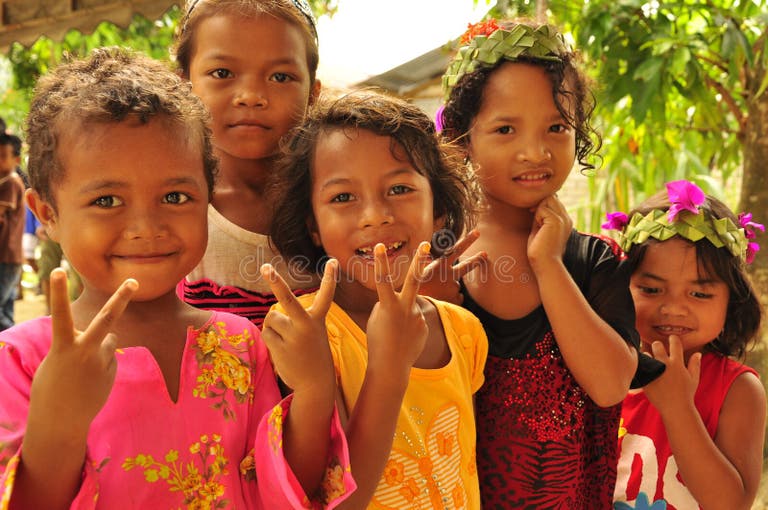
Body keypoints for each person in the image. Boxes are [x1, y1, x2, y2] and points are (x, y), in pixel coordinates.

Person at [0, 47, 355, 509]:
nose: (146, 226)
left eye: (175, 196)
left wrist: (313, 387)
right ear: (46, 213)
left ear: (208, 198)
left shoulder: (240, 344)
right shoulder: (22, 360)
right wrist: (57, 425)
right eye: (107, 201)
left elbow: (286, 489)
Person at [439, 19, 664, 508]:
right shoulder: (439, 254)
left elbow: (608, 386)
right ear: (461, 138)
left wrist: (549, 265)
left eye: (557, 128)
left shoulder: (593, 260)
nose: (535, 152)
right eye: (505, 129)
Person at [269, 89, 489, 509]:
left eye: (400, 188)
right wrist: (388, 368)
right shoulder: (307, 330)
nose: (374, 215)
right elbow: (333, 501)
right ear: (313, 226)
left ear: (438, 210)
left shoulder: (464, 331)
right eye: (343, 197)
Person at [604, 180, 766, 510]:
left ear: (732, 300)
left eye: (700, 294)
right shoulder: (603, 368)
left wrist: (678, 408)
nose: (674, 308)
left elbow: (730, 504)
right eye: (651, 290)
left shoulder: (738, 390)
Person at [174, 0, 323, 326]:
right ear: (183, 84)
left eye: (280, 76)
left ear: (313, 93)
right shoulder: (172, 210)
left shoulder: (338, 201)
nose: (251, 95)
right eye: (222, 73)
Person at [0, 133, 25, 330]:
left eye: (2, 157)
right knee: (6, 306)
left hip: (5, 255)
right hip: (11, 256)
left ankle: (15, 343)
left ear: (16, 160)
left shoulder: (10, 182)